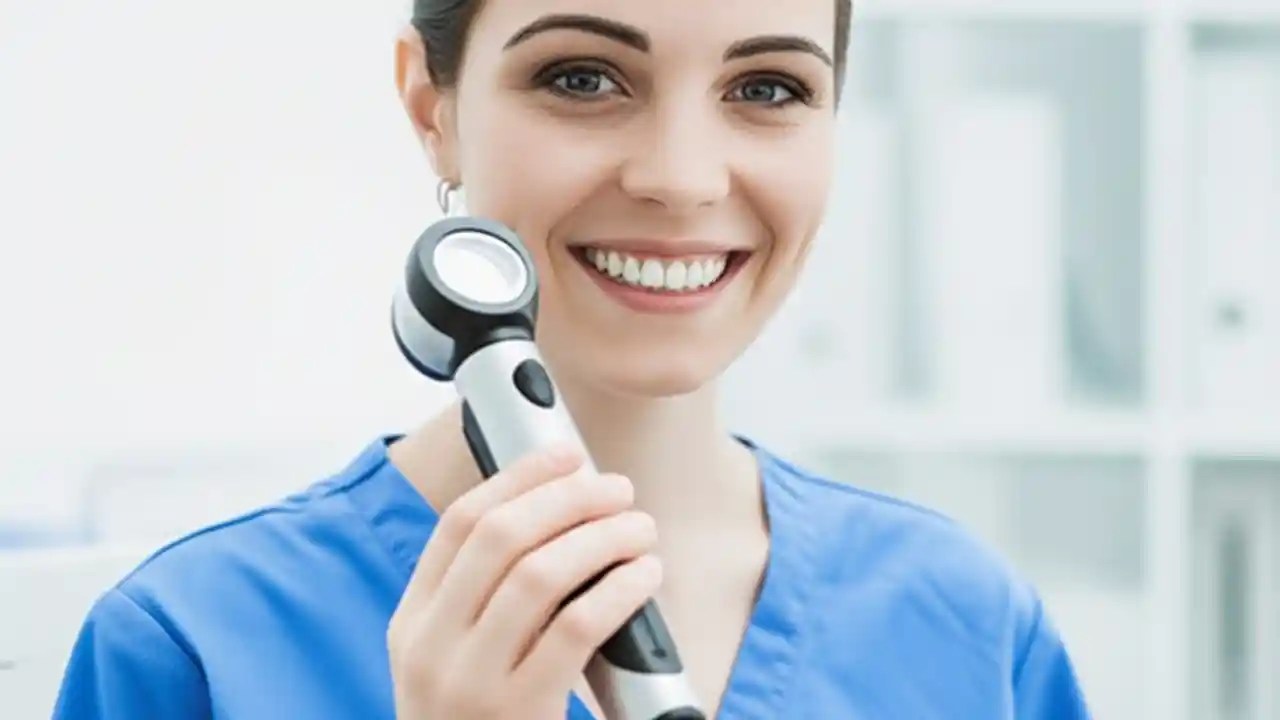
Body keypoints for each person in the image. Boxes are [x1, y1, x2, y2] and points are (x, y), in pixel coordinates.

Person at [53, 0, 1092, 718]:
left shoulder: (969, 627)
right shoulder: (190, 650)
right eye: (583, 78)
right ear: (431, 108)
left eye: (769, 88)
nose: (682, 178)